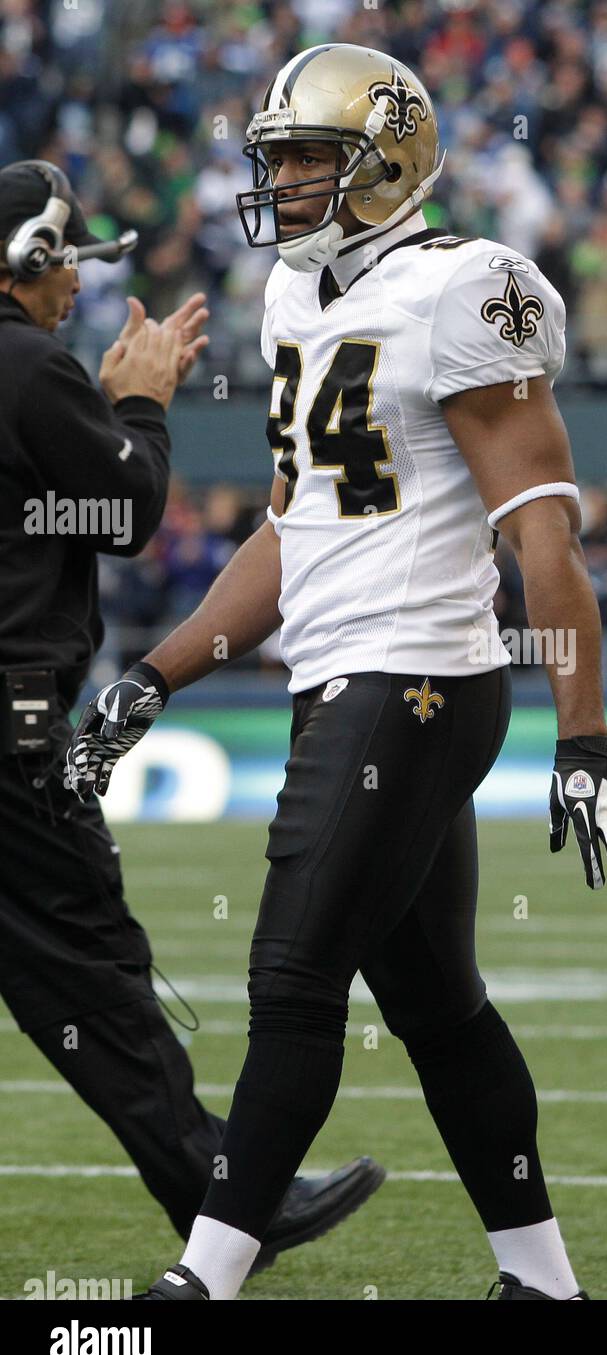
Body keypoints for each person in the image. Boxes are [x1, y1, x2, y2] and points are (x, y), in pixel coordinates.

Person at [69, 44, 607, 1302]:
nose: (279, 182)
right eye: (271, 159)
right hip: (349, 677)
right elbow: (293, 527)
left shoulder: (464, 286)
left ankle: (201, 1281)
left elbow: (541, 525)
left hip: (419, 675)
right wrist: (153, 678)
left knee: (289, 974)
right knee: (438, 1005)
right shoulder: (297, 298)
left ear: (386, 160)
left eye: (308, 158)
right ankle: (543, 1283)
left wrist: (585, 734)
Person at [0, 158, 382, 1273]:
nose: (76, 282)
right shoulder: (25, 366)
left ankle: (218, 1195)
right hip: (13, 732)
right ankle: (227, 1208)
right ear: (26, 258)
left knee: (74, 987)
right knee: (95, 978)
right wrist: (138, 402)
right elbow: (124, 512)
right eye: (66, 259)